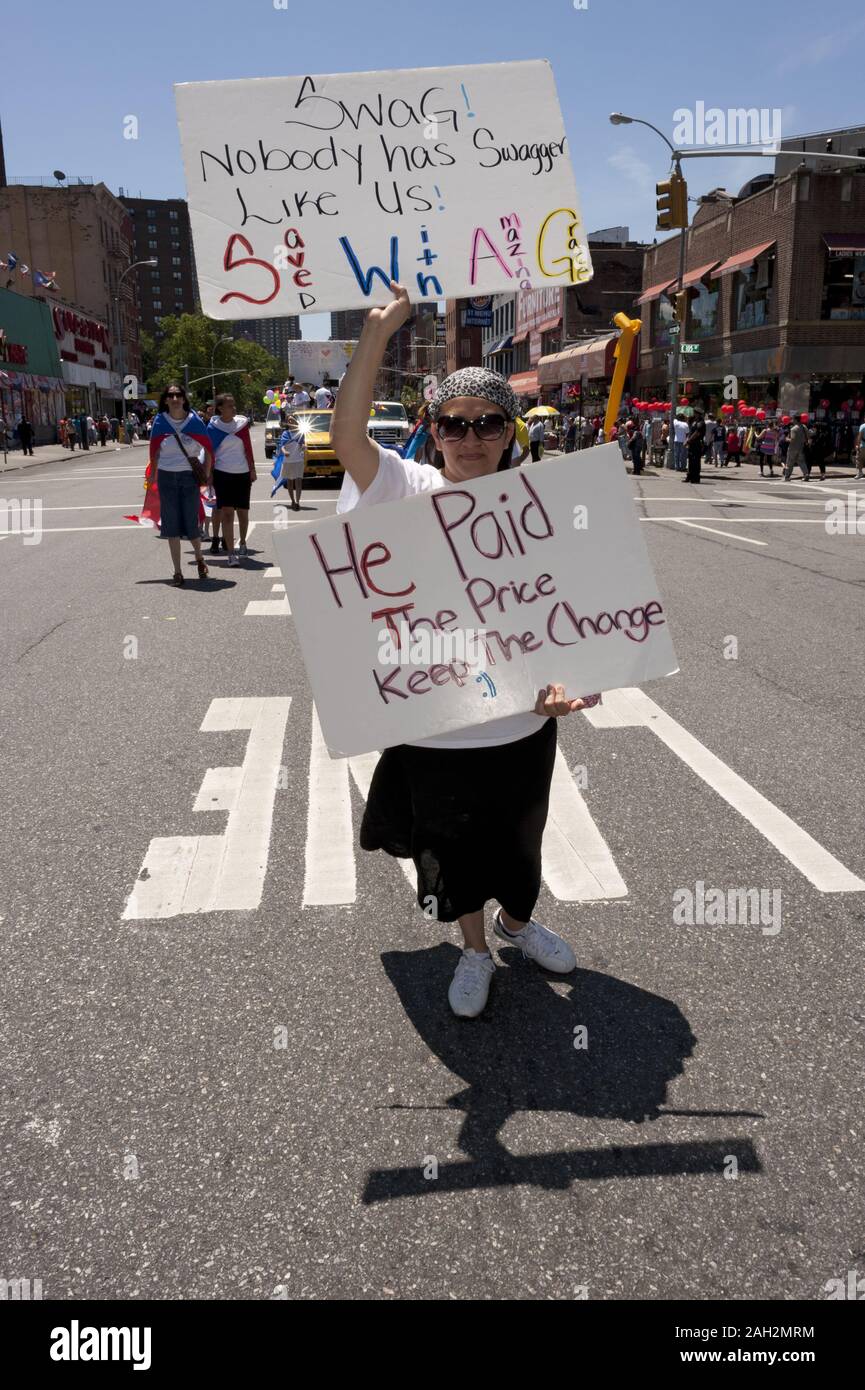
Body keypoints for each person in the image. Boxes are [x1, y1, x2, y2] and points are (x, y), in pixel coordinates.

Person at [331, 280, 602, 1020]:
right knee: (450, 857)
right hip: (433, 727)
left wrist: (573, 685)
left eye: (488, 422)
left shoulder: (540, 507)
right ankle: (474, 950)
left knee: (519, 854)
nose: (472, 437)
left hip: (520, 726)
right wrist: (379, 334)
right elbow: (347, 437)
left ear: (510, 431)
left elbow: (574, 614)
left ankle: (517, 924)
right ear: (433, 429)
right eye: (455, 424)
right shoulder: (402, 487)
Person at [147, 383, 213, 586]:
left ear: (184, 399)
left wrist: (206, 475)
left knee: (191, 525)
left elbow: (209, 450)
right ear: (165, 399)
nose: (174, 399)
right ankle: (177, 571)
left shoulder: (195, 421)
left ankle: (200, 558)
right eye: (170, 395)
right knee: (171, 526)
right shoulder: (159, 421)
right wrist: (153, 475)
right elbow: (155, 452)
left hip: (188, 477)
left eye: (178, 395)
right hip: (167, 477)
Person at [206, 392, 257, 564]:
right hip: (222, 474)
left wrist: (252, 469)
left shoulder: (241, 425)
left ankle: (242, 542)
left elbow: (248, 449)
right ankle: (231, 553)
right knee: (227, 514)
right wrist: (209, 474)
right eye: (230, 406)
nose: (234, 408)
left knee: (243, 512)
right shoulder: (213, 428)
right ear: (220, 409)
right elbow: (208, 453)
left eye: (234, 405)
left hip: (242, 473)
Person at [272, 413, 306, 509]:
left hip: (298, 460)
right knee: (290, 482)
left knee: (298, 481)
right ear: (287, 423)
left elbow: (303, 445)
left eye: (293, 420)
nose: (291, 422)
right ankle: (292, 501)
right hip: (288, 461)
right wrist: (285, 451)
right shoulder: (285, 433)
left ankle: (298, 501)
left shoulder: (300, 433)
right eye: (289, 420)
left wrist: (303, 447)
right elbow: (282, 446)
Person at [783, 415, 808, 481]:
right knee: (802, 462)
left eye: (793, 419)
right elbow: (808, 436)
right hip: (801, 447)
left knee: (789, 463)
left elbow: (792, 439)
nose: (792, 421)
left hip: (792, 448)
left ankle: (787, 477)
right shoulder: (804, 427)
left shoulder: (793, 429)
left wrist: (787, 439)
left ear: (796, 420)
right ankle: (806, 474)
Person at [685, 415, 703, 483]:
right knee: (691, 461)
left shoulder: (700, 423)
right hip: (692, 445)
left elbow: (697, 433)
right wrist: (688, 440)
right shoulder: (694, 423)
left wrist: (688, 440)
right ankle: (689, 476)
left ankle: (695, 478)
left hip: (696, 444)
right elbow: (690, 433)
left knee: (695, 462)